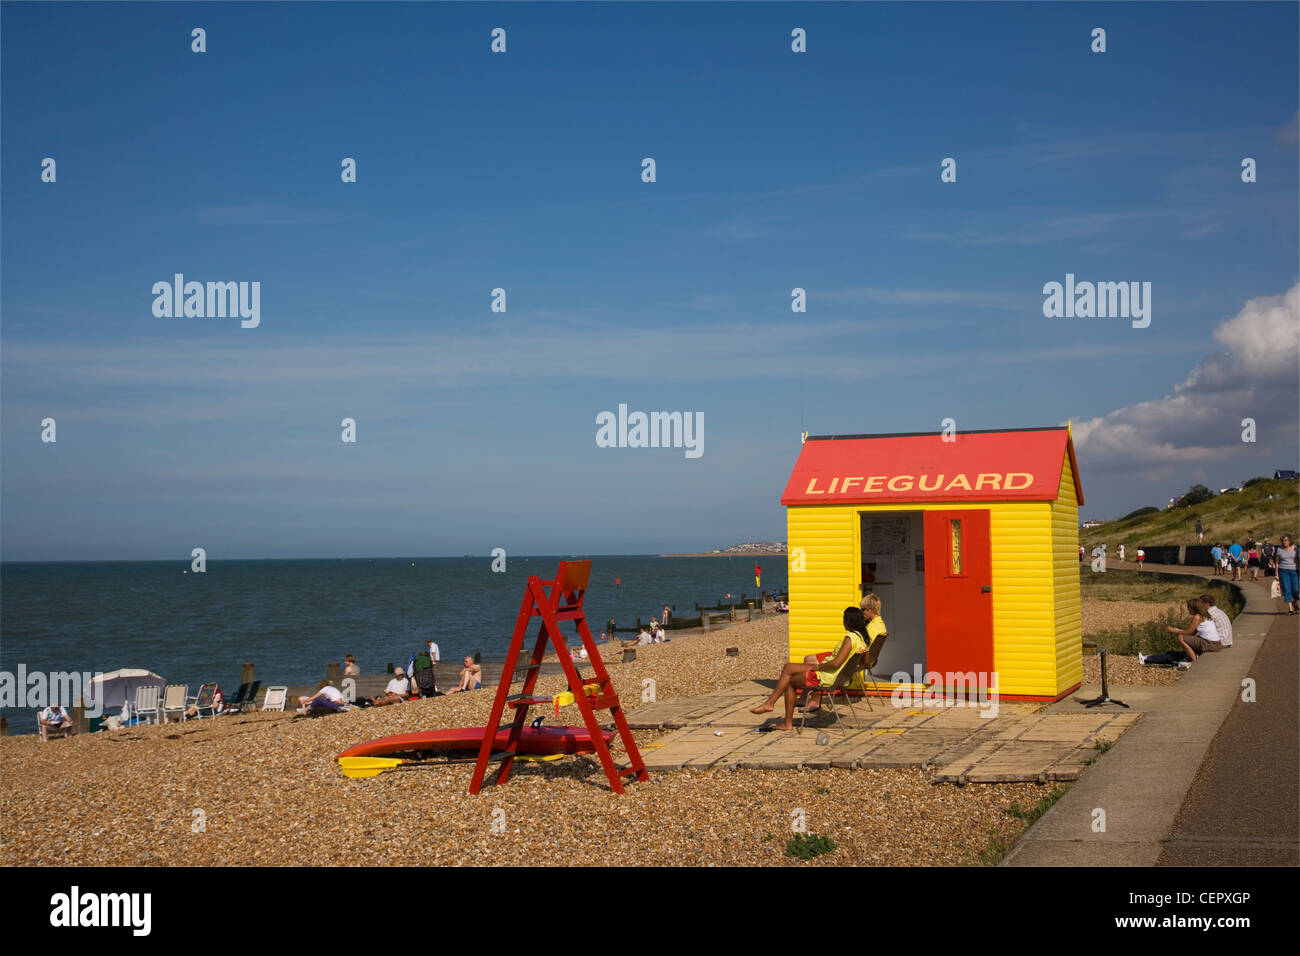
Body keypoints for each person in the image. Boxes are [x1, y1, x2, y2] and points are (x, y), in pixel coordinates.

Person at [750, 606, 872, 731]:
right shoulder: (864, 640)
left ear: (849, 621)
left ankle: (785, 721)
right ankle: (770, 703)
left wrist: (819, 666)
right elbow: (866, 663)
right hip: (839, 677)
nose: (843, 622)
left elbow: (836, 663)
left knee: (789, 683)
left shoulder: (850, 638)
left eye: (844, 619)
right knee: (788, 667)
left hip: (827, 676)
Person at [1274, 534, 1298, 615]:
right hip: (1283, 571)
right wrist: (1276, 573)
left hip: (1294, 571)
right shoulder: (1279, 549)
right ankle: (1291, 609)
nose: (1284, 542)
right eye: (1283, 540)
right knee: (1287, 589)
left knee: (1296, 590)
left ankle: (1295, 603)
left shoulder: (1295, 549)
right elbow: (1277, 562)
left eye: (1286, 540)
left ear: (1290, 541)